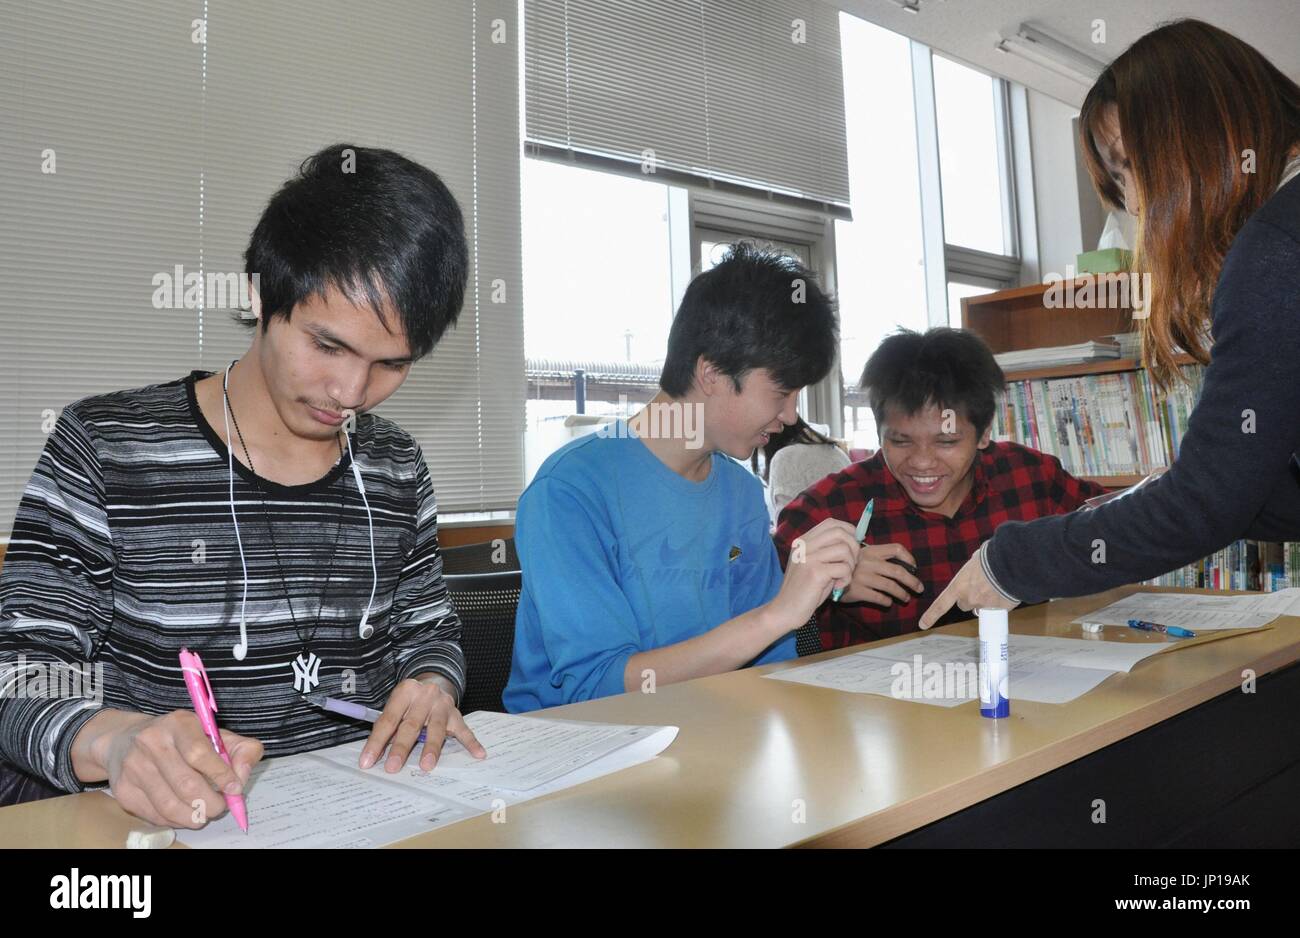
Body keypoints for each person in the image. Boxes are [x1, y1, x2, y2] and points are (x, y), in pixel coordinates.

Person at [0, 143, 485, 826]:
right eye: (328, 346)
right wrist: (113, 741)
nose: (350, 392)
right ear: (261, 294)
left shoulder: (396, 465)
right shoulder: (107, 448)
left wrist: (433, 683)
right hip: (154, 830)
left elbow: (429, 631)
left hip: (362, 821)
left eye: (390, 365)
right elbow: (18, 679)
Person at [922, 19, 1300, 627]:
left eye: (1129, 167)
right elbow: (1239, 495)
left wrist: (1010, 561)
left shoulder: (1276, 249)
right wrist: (1201, 480)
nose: (1134, 200)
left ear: (1199, 132)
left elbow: (1206, 505)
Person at [504, 244, 859, 712]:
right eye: (782, 391)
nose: (791, 415)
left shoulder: (741, 492)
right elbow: (596, 689)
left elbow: (771, 666)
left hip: (709, 739)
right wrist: (775, 616)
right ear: (710, 372)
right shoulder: (570, 492)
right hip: (577, 752)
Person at [776, 328, 1104, 648]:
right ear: (879, 433)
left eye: (946, 441)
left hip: (1020, 686)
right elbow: (758, 608)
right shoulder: (830, 507)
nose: (922, 463)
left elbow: (1108, 527)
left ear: (984, 433)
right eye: (900, 440)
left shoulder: (1030, 478)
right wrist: (828, 583)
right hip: (876, 698)